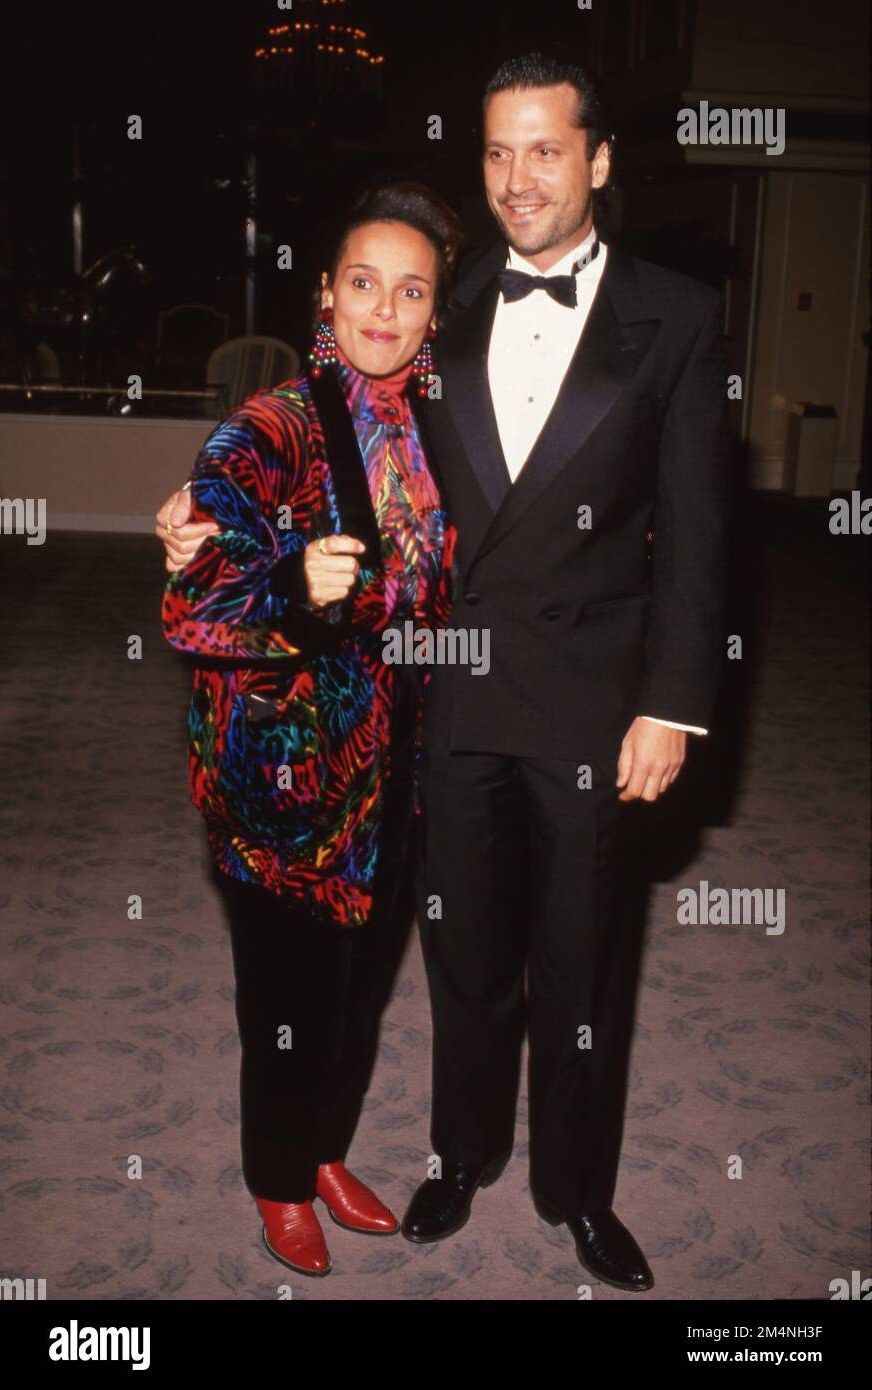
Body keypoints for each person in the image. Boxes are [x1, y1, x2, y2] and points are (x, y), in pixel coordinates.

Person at [158, 52, 731, 1296]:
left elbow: (697, 530)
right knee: (460, 954)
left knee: (581, 962)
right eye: (495, 151)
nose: (517, 178)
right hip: (443, 703)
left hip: (592, 699)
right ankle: (460, 1156)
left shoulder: (676, 317)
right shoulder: (445, 302)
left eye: (544, 149)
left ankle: (578, 1193)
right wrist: (207, 508)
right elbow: (319, 424)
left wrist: (674, 701)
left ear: (598, 160)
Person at [159, 181, 461, 1277]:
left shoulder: (441, 418)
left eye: (412, 289)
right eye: (364, 283)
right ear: (325, 295)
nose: (385, 310)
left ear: (436, 310)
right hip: (283, 773)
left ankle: (326, 1148)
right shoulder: (273, 426)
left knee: (361, 982)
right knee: (286, 996)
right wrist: (287, 580)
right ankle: (280, 1176)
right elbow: (192, 601)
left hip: (396, 767)